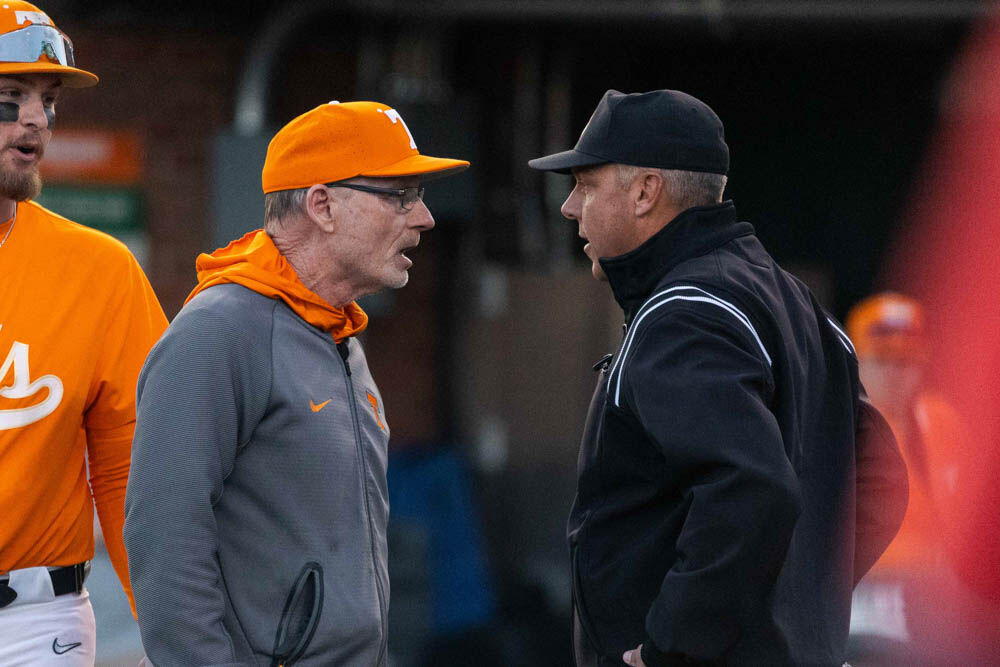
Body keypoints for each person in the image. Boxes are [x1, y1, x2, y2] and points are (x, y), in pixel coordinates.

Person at [528, 89, 909, 667]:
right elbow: (880, 478)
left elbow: (751, 486)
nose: (569, 207)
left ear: (645, 191)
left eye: (585, 184)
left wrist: (678, 643)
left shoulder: (683, 311)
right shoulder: (793, 300)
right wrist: (792, 605)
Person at [123, 100, 468, 666]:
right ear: (322, 204)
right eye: (401, 195)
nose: (425, 217)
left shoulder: (340, 335)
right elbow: (164, 536)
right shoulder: (219, 331)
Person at [0, 2, 168, 664]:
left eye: (48, 101)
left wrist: (176, 632)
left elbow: (137, 473)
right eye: (10, 97)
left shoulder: (100, 270)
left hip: (37, 624)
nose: (36, 120)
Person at [845, 292, 983, 663]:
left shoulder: (942, 421)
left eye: (906, 361)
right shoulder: (839, 427)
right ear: (856, 361)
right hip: (864, 594)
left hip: (935, 597)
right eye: (882, 360)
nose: (895, 374)